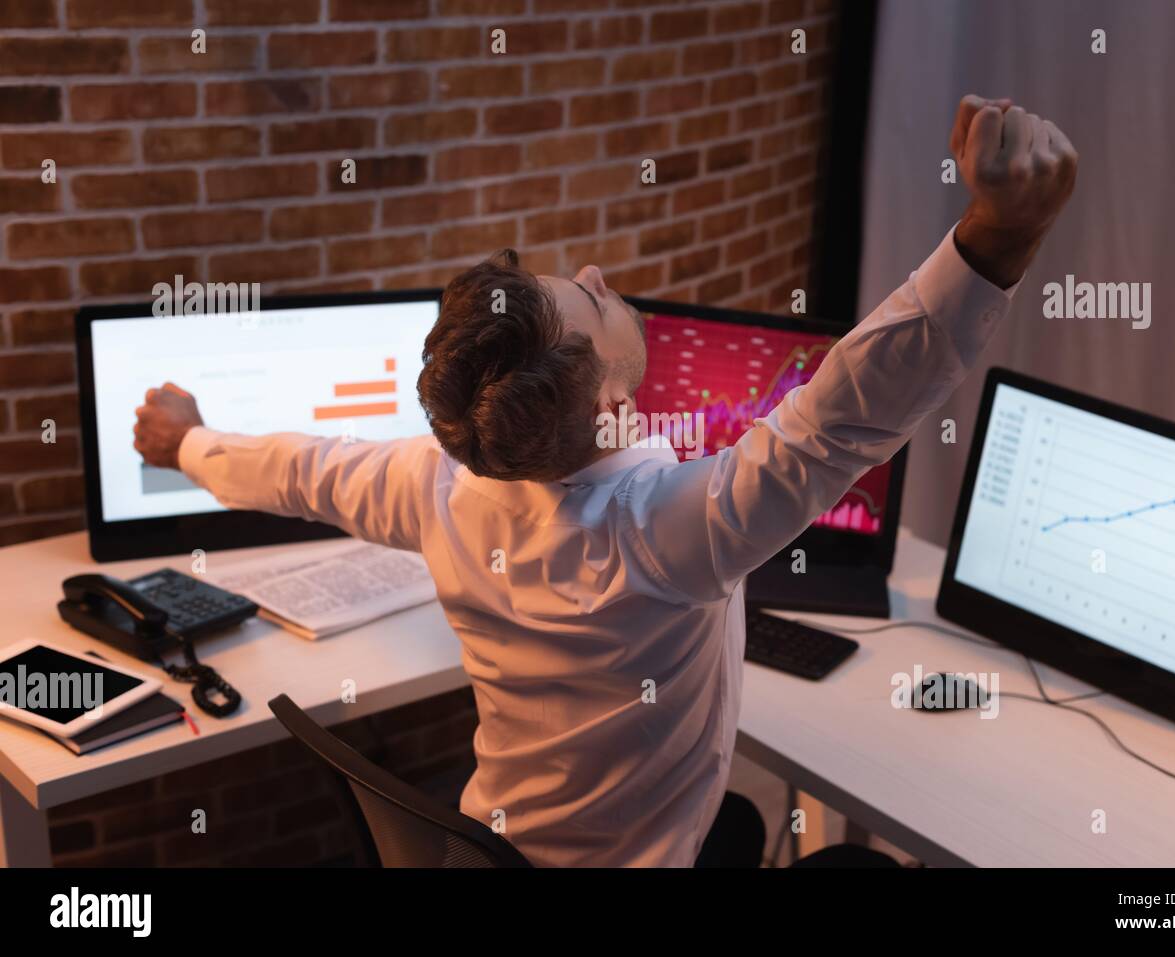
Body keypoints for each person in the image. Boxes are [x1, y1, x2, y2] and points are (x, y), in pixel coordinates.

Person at [134, 95, 1076, 867]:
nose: (592, 269)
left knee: (745, 831)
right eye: (587, 296)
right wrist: (996, 236)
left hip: (498, 852)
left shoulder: (441, 483)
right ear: (608, 393)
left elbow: (308, 472)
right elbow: (838, 419)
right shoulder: (672, 528)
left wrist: (187, 443)